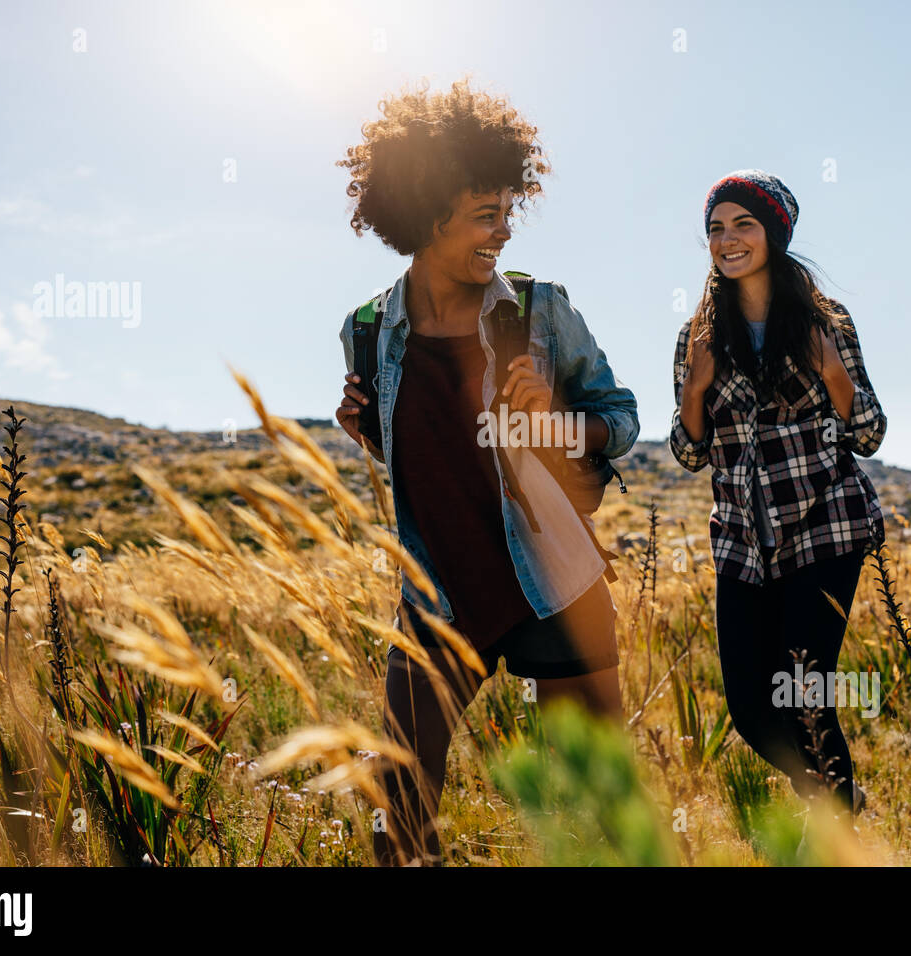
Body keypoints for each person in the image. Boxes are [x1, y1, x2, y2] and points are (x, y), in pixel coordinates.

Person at [334, 80, 639, 865]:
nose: (503, 232)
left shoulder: (540, 310)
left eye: (509, 211)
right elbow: (416, 456)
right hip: (437, 593)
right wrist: (365, 431)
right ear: (427, 213)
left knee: (608, 805)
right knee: (397, 800)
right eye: (484, 215)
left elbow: (623, 419)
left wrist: (558, 420)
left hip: (553, 585)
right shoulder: (368, 329)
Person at [669, 169, 887, 817]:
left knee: (806, 695)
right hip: (742, 546)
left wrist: (833, 374)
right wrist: (694, 390)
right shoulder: (697, 336)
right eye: (716, 228)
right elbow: (687, 453)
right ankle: (836, 798)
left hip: (826, 531)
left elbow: (870, 433)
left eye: (743, 225)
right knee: (749, 709)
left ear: (775, 234)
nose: (727, 239)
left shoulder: (827, 322)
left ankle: (833, 832)